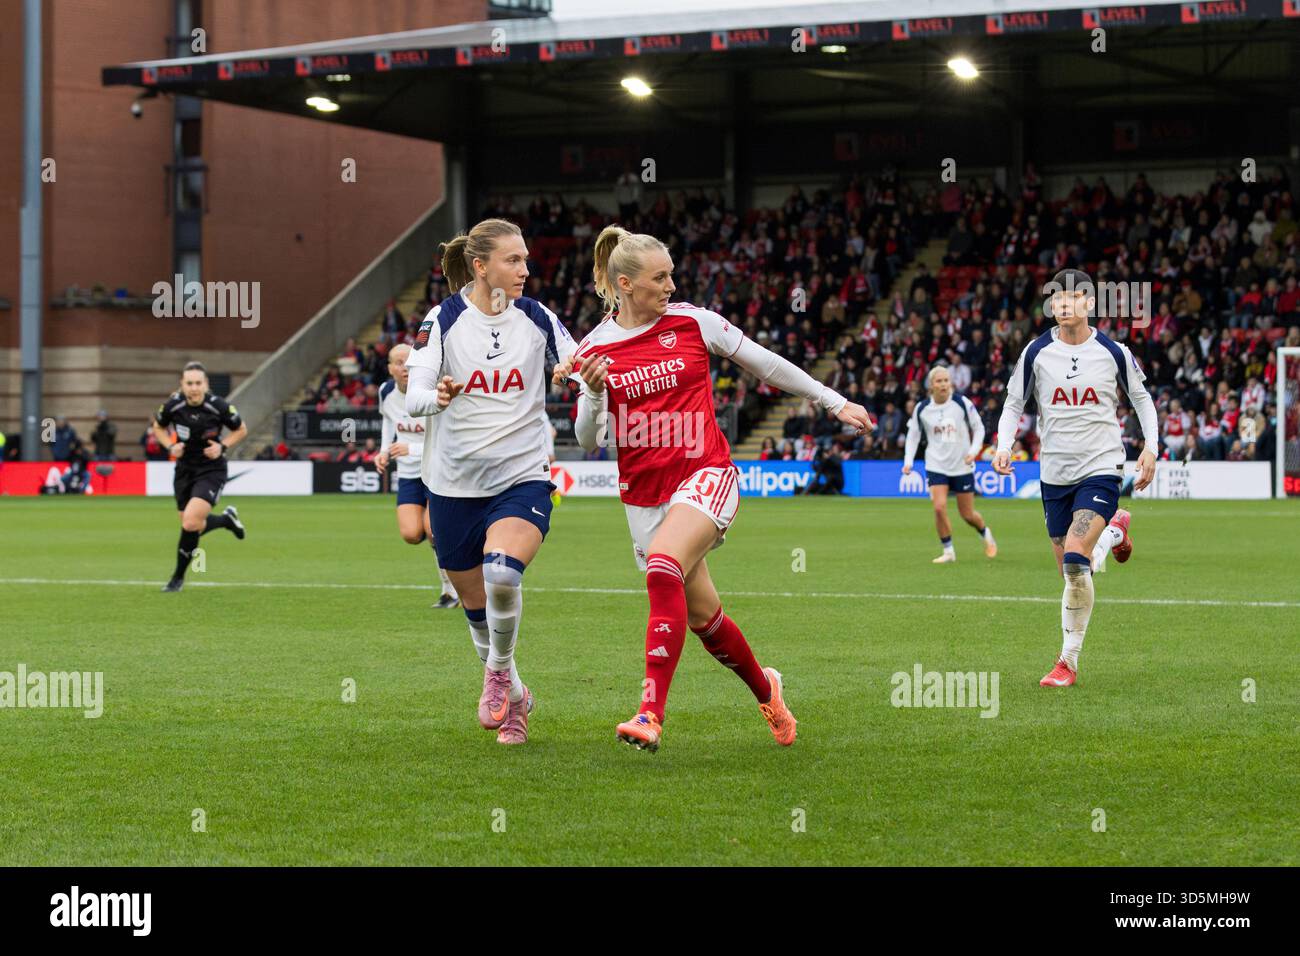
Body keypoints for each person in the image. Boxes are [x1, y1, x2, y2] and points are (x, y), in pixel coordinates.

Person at [560, 225, 872, 753]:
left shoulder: (695, 322)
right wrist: (592, 392)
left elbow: (765, 363)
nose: (671, 284)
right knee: (704, 618)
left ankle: (650, 714)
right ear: (626, 283)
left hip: (706, 472)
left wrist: (830, 399)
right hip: (644, 494)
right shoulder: (593, 348)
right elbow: (588, 437)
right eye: (660, 277)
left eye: (671, 274)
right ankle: (767, 691)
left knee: (663, 566)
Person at [405, 218, 576, 746]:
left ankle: (499, 675)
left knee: (503, 575)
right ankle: (519, 698)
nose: (526, 270)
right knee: (478, 613)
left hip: (522, 476)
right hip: (453, 486)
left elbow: (578, 358)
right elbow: (414, 394)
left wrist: (573, 372)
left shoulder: (537, 315)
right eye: (513, 260)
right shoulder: (444, 319)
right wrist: (437, 396)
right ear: (480, 266)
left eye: (525, 260)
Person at [993, 270, 1158, 687]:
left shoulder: (1113, 352)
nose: (1063, 305)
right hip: (1055, 474)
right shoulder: (1035, 353)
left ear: (1089, 304)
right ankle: (1116, 532)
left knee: (1073, 559)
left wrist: (1151, 447)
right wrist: (1003, 444)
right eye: (1056, 299)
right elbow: (1014, 403)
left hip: (1101, 466)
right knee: (1074, 570)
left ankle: (1067, 662)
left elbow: (1141, 398)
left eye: (1072, 298)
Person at [374, 343, 459, 609]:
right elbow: (388, 420)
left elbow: (449, 439)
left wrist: (411, 448)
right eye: (398, 362)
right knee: (411, 534)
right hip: (409, 474)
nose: (404, 367)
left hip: (437, 469)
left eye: (409, 361)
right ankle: (451, 543)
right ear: (390, 368)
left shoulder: (429, 391)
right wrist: (383, 451)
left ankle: (451, 591)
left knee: (434, 531)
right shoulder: (386, 392)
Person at [152, 362, 248, 592]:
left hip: (211, 470)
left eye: (198, 383)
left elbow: (241, 429)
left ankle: (177, 578)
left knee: (190, 522)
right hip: (184, 470)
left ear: (205, 384)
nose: (194, 388)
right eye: (189, 383)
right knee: (192, 525)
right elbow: (158, 427)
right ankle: (226, 520)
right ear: (182, 385)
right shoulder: (172, 406)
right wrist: (169, 446)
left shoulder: (219, 406)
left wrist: (222, 447)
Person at [902, 366, 996, 563]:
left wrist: (973, 452)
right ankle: (948, 551)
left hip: (962, 465)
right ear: (931, 385)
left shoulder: (961, 403)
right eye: (939, 381)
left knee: (967, 514)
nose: (944, 384)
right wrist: (908, 461)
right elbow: (913, 436)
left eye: (946, 380)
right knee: (938, 507)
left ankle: (985, 533)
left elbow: (978, 428)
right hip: (936, 465)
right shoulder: (922, 408)